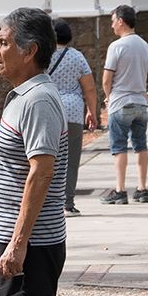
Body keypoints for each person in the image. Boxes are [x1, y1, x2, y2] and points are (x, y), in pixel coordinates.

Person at [0, 7, 68, 296]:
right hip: (21, 239)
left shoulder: (38, 101)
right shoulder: (25, 96)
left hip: (32, 243)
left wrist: (18, 244)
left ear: (30, 50)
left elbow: (42, 171)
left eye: (3, 42)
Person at [100, 5, 148, 205]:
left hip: (121, 102)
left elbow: (107, 79)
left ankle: (120, 190)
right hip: (140, 102)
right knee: (140, 145)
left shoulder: (117, 46)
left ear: (121, 21)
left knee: (119, 146)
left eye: (113, 20)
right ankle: (142, 189)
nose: (112, 25)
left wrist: (108, 96)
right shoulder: (144, 45)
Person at [49, 19, 98, 216]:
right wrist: (92, 112)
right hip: (72, 112)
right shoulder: (77, 57)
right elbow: (90, 88)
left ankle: (47, 203)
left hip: (49, 109)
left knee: (46, 157)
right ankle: (67, 203)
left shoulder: (43, 56)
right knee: (70, 160)